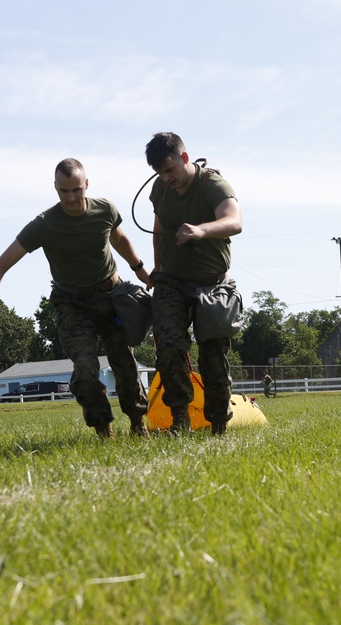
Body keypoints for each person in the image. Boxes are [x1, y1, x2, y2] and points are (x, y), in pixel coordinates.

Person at [0, 158, 152, 439]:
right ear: (55, 188)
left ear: (86, 184)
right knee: (86, 369)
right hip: (73, 304)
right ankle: (104, 430)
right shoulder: (44, 224)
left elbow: (119, 239)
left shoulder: (105, 209)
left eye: (77, 190)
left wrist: (140, 270)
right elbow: (1, 265)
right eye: (64, 191)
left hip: (112, 297)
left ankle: (138, 424)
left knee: (125, 364)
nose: (72, 198)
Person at [145, 132, 243, 435]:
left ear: (184, 158)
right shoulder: (161, 188)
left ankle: (218, 424)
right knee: (168, 348)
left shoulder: (213, 185)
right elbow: (159, 229)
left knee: (213, 356)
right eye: (159, 173)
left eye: (169, 170)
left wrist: (201, 231)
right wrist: (157, 268)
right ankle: (180, 419)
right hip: (172, 282)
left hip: (212, 285)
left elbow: (234, 221)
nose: (166, 178)